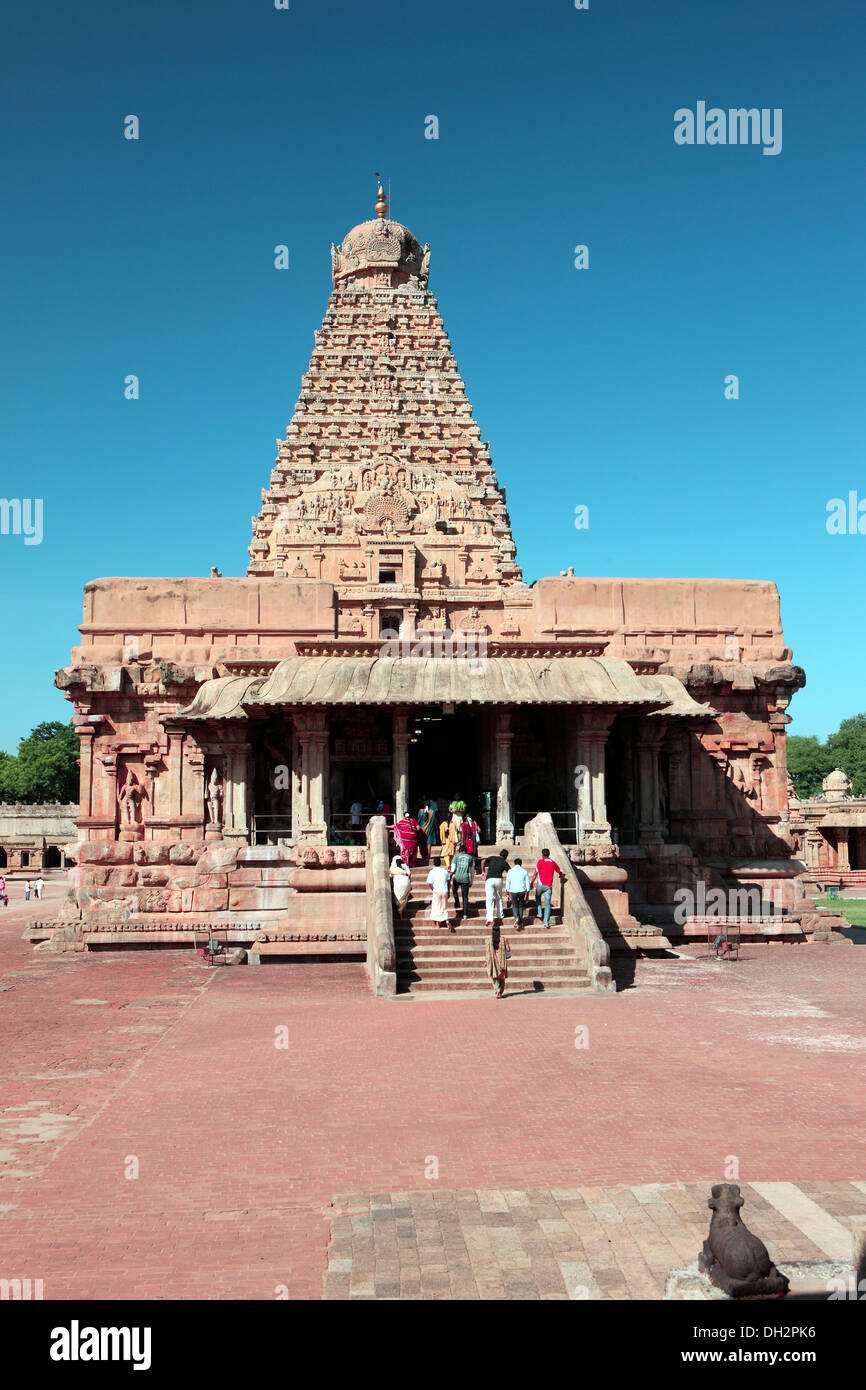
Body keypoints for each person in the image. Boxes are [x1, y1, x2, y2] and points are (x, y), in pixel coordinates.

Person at [531, 848, 565, 927]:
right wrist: (561, 876)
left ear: (542, 854)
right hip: (548, 886)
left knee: (537, 897)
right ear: (549, 854)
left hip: (540, 885)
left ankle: (539, 913)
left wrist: (532, 882)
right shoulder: (553, 863)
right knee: (547, 905)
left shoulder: (540, 862)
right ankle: (546, 922)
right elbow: (560, 872)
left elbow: (535, 873)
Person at [483, 847, 509, 925]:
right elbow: (510, 871)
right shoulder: (504, 862)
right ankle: (500, 914)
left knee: (489, 898)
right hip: (498, 880)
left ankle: (489, 917)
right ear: (506, 857)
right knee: (499, 898)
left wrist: (483, 872)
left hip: (489, 879)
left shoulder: (492, 858)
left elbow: (483, 861)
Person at [483, 923, 511, 998]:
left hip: (492, 960)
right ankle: (500, 991)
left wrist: (485, 961)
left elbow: (487, 952)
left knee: (493, 976)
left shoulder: (488, 940)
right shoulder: (504, 939)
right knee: (502, 977)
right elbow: (508, 949)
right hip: (501, 960)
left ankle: (497, 989)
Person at [505, 856, 531, 929]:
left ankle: (516, 918)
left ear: (514, 863)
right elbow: (528, 884)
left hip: (513, 891)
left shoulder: (510, 871)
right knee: (520, 906)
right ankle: (520, 920)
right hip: (522, 891)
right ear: (521, 864)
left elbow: (508, 883)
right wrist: (527, 895)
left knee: (515, 905)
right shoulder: (524, 871)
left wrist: (508, 893)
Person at [450, 846, 475, 919]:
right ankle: (465, 914)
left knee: (454, 890)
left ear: (460, 850)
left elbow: (453, 867)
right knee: (465, 897)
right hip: (465, 879)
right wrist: (471, 881)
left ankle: (457, 901)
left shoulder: (456, 856)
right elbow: (472, 871)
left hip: (457, 877)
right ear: (466, 851)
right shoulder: (470, 857)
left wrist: (451, 874)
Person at [426, 859, 451, 930]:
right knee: (444, 906)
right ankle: (446, 920)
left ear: (434, 863)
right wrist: (448, 891)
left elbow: (430, 883)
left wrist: (434, 890)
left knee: (436, 907)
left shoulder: (432, 872)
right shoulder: (445, 871)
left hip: (437, 891)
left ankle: (437, 924)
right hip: (444, 890)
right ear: (440, 863)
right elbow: (449, 882)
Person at [416, 796, 437, 864]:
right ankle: (428, 856)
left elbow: (418, 820)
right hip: (430, 828)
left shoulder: (420, 811)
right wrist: (436, 829)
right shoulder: (432, 812)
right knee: (429, 843)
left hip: (422, 829)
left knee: (421, 843)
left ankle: (423, 856)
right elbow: (434, 821)